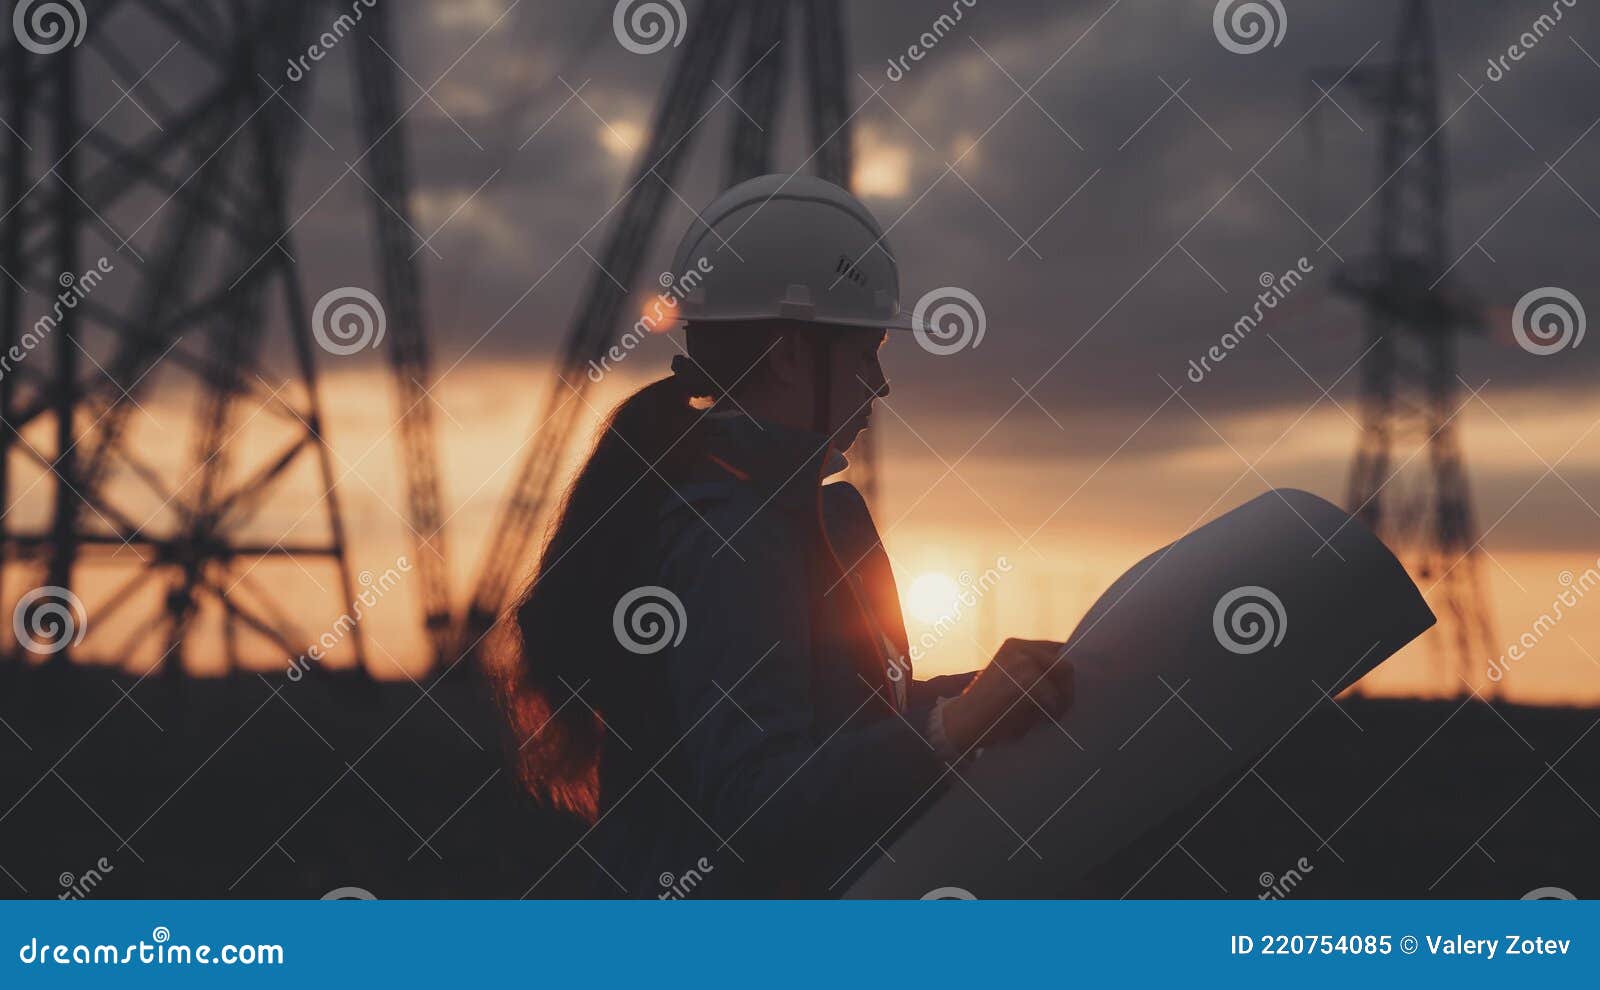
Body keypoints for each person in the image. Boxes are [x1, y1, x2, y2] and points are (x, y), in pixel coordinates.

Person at [495, 174, 1076, 897]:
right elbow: (759, 801)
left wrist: (987, 692)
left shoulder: (803, 516)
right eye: (865, 353)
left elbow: (850, 714)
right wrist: (952, 730)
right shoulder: (727, 534)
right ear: (790, 353)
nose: (880, 383)